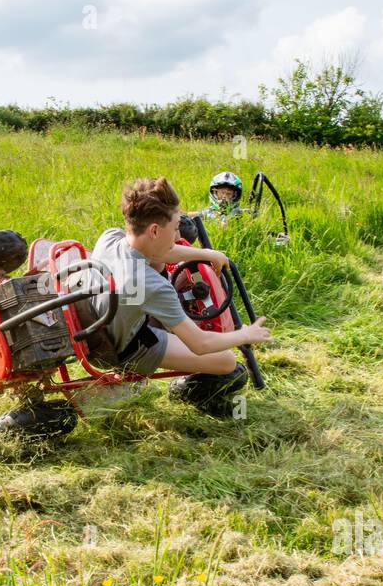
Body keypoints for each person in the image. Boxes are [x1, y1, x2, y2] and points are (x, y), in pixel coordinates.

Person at [90, 176, 271, 414]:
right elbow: (201, 344)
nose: (177, 236)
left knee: (158, 268)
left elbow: (161, 252)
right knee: (227, 362)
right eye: (175, 228)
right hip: (131, 349)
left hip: (99, 329)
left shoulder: (110, 238)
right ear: (154, 230)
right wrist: (244, 334)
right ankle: (182, 391)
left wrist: (207, 254)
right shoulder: (151, 285)